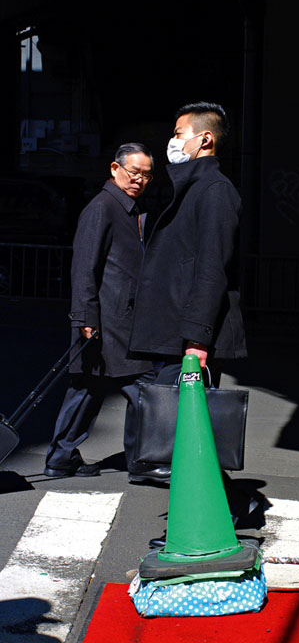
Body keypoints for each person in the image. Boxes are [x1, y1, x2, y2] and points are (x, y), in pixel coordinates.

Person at [128, 101, 247, 486]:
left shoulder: (214, 191)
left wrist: (197, 338)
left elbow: (212, 268)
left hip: (188, 335)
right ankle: (191, 491)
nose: (173, 141)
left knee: (187, 423)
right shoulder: (193, 188)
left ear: (205, 139)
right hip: (176, 330)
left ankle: (207, 496)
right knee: (176, 423)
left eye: (179, 134)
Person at [44, 143, 155, 478]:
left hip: (116, 318)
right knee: (142, 387)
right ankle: (143, 460)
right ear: (114, 169)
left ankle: (61, 457)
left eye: (146, 175)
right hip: (107, 320)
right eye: (134, 172)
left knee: (88, 388)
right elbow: (84, 268)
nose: (139, 179)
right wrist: (84, 318)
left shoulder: (127, 209)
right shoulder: (103, 208)